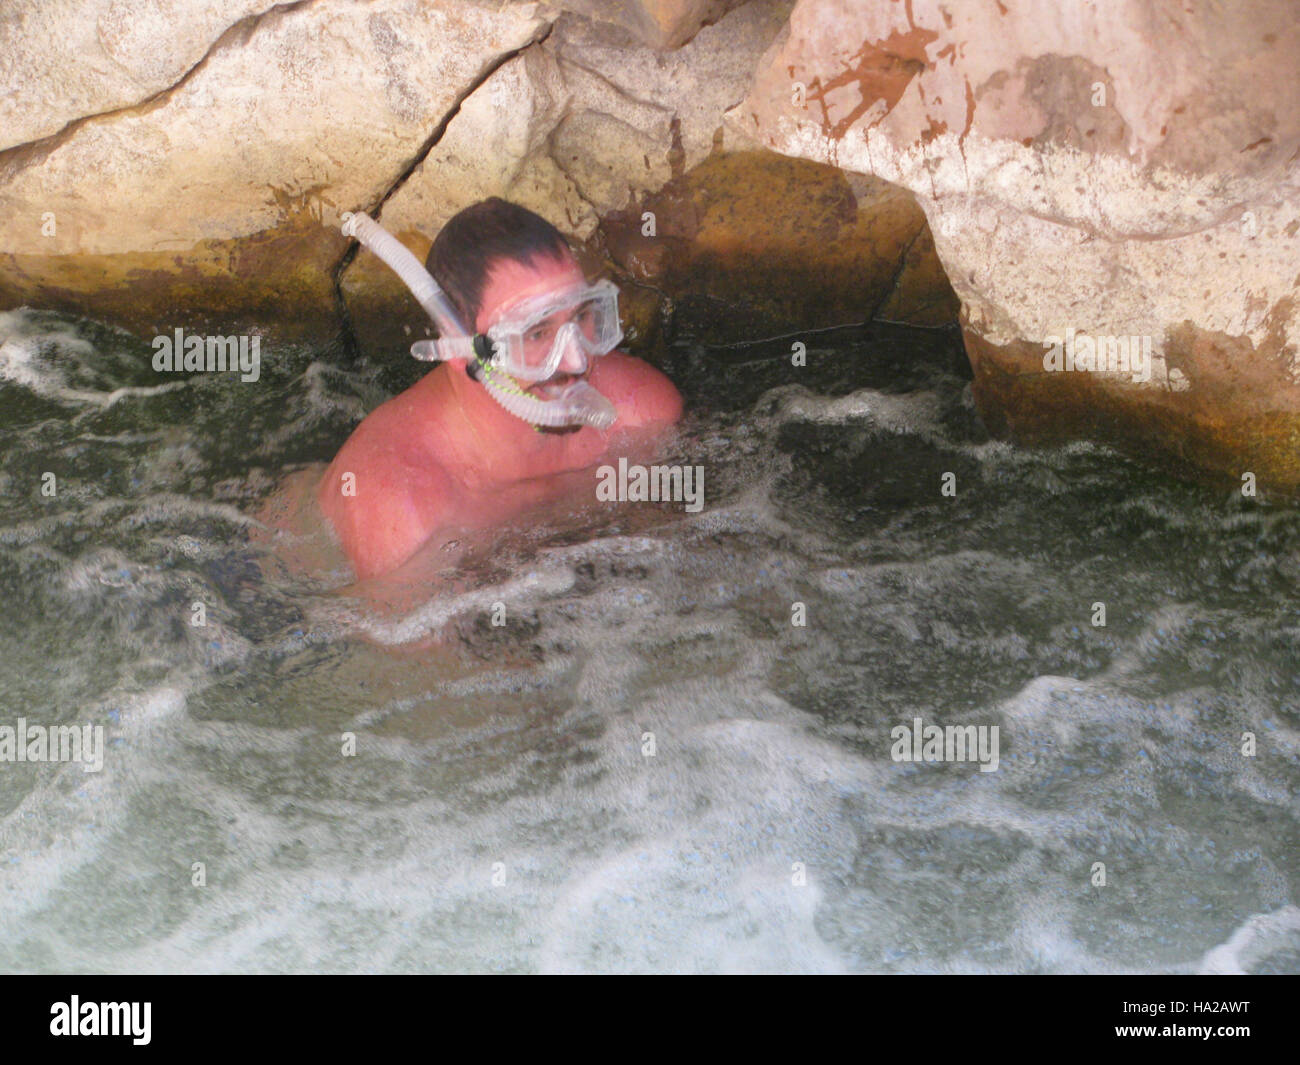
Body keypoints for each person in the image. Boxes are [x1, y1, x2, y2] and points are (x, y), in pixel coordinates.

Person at [317, 198, 683, 580]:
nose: (576, 361)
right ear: (459, 352)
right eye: (536, 333)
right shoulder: (403, 512)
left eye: (582, 316)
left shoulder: (642, 412)